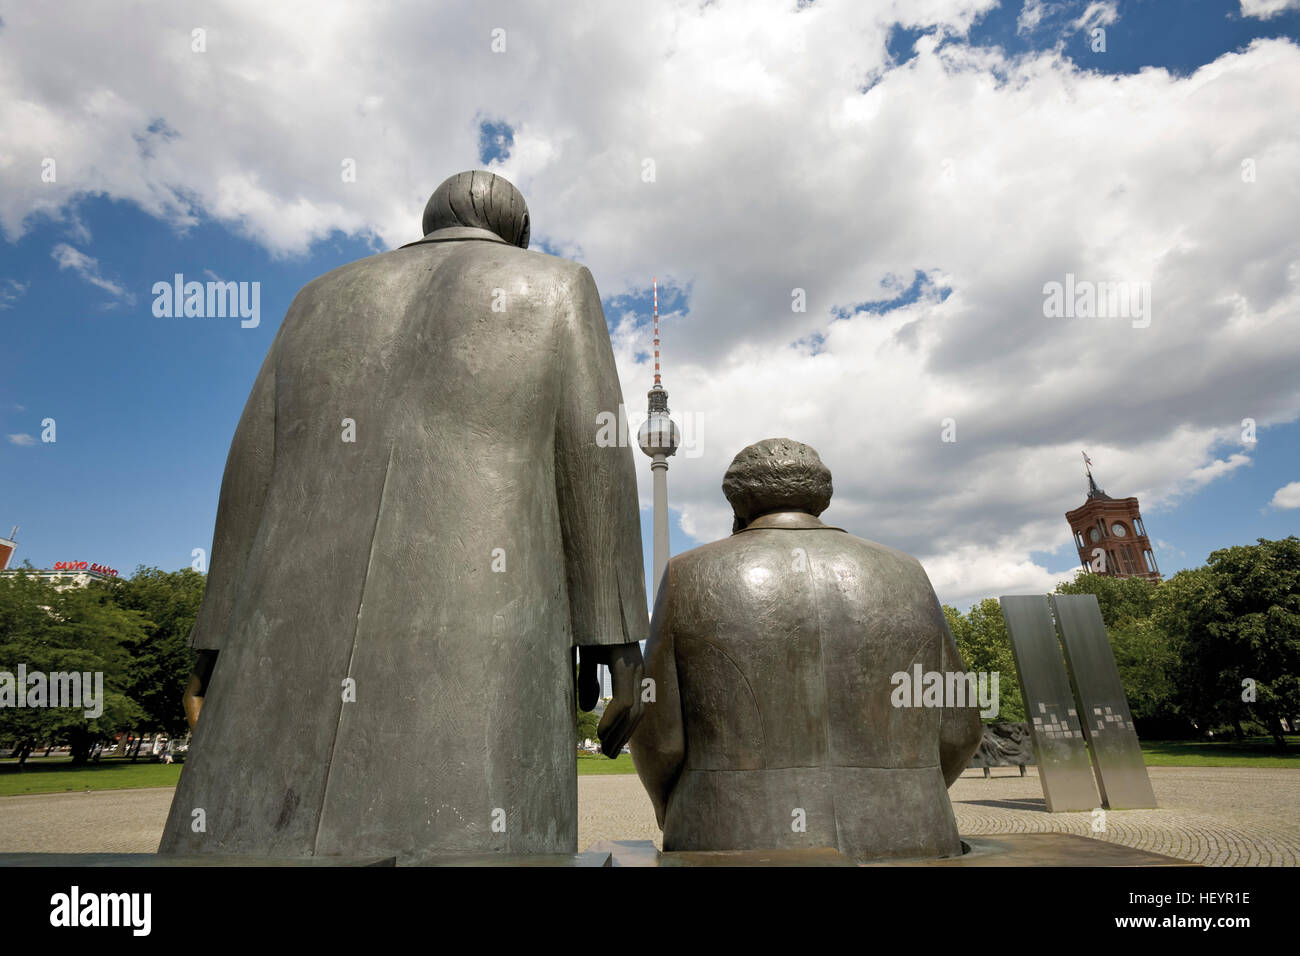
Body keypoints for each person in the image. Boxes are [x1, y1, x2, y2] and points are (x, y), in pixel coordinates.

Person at [161, 171, 647, 861]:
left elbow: (250, 468)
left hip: (288, 605)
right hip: (486, 592)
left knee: (242, 837)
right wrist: (616, 640)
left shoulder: (315, 298)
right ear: (518, 232)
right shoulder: (559, 283)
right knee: (474, 830)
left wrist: (215, 639)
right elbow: (593, 451)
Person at [631, 438, 982, 861]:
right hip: (912, 836)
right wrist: (905, 795)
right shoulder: (908, 572)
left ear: (738, 503)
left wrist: (668, 808)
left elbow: (659, 736)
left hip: (731, 834)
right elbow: (960, 726)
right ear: (821, 498)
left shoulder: (688, 573)